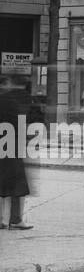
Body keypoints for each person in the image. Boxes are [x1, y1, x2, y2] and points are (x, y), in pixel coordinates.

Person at [0, 73, 35, 230]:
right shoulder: (14, 99)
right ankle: (15, 219)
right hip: (12, 146)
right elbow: (22, 122)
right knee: (17, 183)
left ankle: (2, 220)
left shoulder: (6, 98)